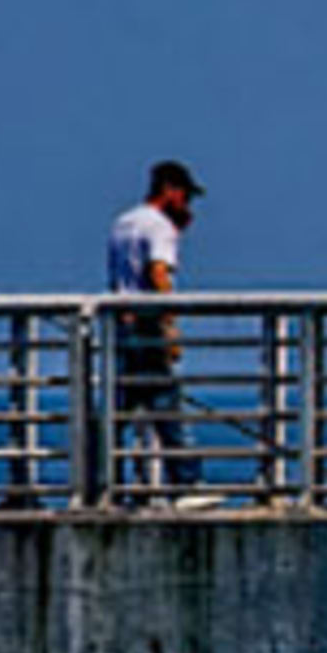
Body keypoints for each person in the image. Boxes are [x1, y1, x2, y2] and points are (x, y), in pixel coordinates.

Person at [106, 159, 202, 499]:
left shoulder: (122, 223)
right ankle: (186, 486)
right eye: (185, 197)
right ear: (170, 191)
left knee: (118, 411)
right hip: (147, 327)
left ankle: (103, 484)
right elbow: (158, 273)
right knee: (169, 407)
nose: (187, 205)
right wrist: (170, 328)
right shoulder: (160, 227)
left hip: (120, 325)